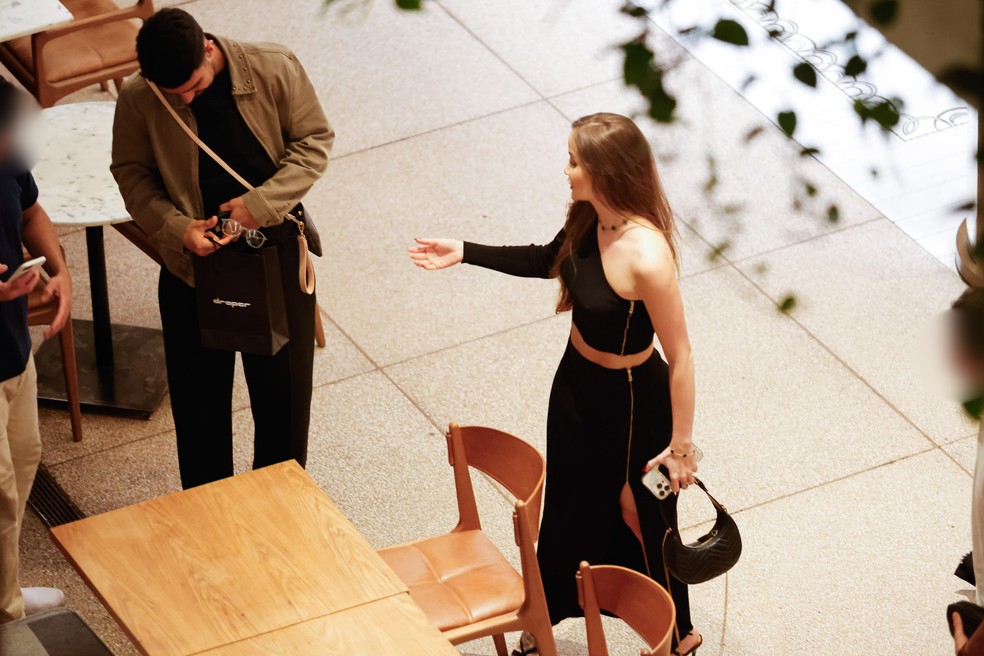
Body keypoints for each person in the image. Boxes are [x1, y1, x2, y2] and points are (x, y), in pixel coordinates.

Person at [409, 113, 703, 656]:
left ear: (605, 171)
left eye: (574, 161)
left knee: (644, 514)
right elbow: (550, 261)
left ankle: (676, 631)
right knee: (569, 507)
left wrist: (681, 449)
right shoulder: (588, 216)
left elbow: (681, 354)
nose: (565, 170)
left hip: (633, 401)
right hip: (575, 387)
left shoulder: (647, 254)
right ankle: (543, 622)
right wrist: (467, 251)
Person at [110, 8, 334, 489]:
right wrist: (176, 228)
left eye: (193, 85)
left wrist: (259, 205)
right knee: (198, 417)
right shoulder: (138, 96)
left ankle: (280, 517)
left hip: (275, 258)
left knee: (284, 412)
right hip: (192, 267)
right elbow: (131, 173)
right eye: (174, 94)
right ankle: (211, 528)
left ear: (208, 48)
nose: (186, 98)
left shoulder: (273, 66)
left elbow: (314, 141)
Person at [0, 76, 71, 623]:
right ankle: (6, 610)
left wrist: (58, 268)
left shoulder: (8, 159)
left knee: (24, 460)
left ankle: (7, 586)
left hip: (12, 345)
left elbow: (31, 214)